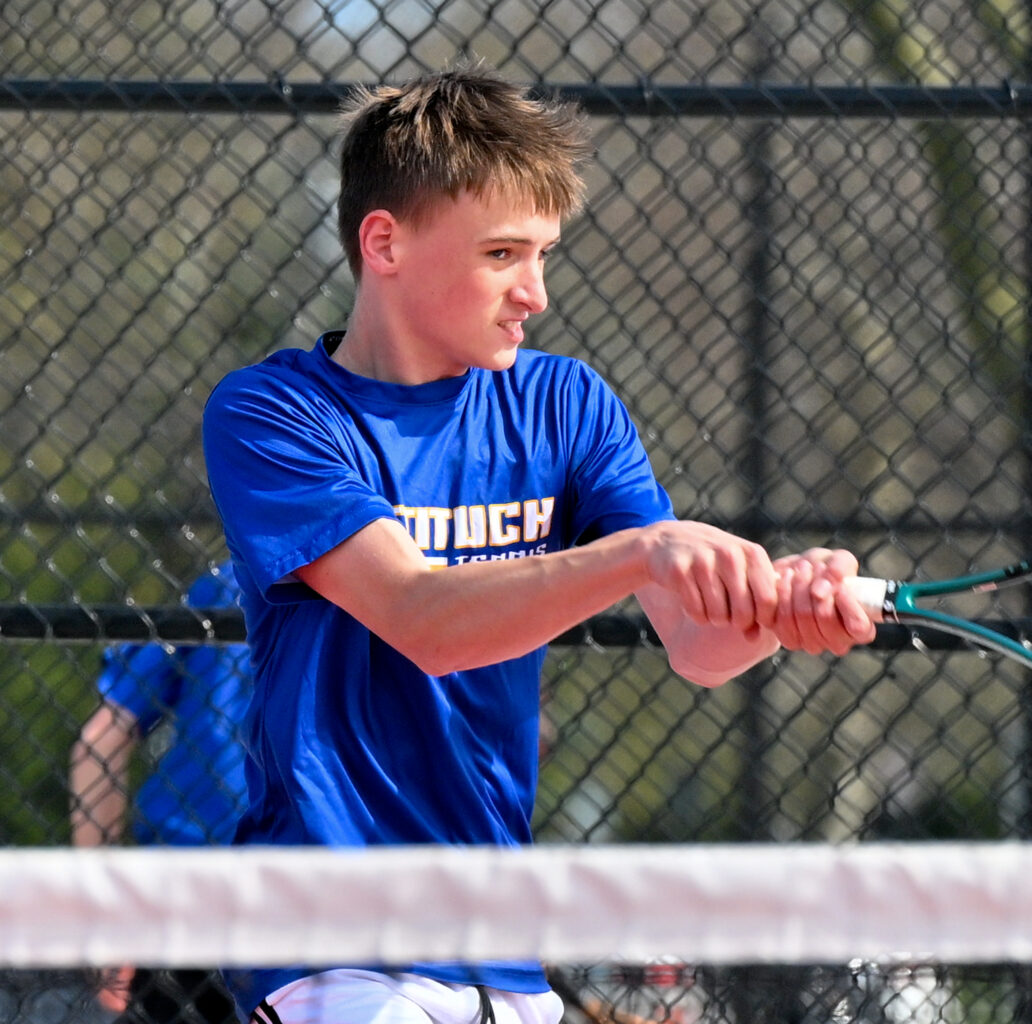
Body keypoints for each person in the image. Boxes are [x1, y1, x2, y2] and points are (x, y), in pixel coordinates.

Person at [200, 65, 876, 1024]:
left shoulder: (568, 405)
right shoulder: (274, 414)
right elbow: (424, 619)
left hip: (503, 957)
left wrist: (775, 609)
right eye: (502, 254)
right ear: (384, 243)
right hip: (331, 945)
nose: (536, 292)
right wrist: (640, 553)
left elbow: (699, 647)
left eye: (544, 253)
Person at [69, 562, 252, 1024]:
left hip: (185, 883)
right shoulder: (382, 582)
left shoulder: (226, 582)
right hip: (317, 879)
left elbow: (101, 740)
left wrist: (100, 915)